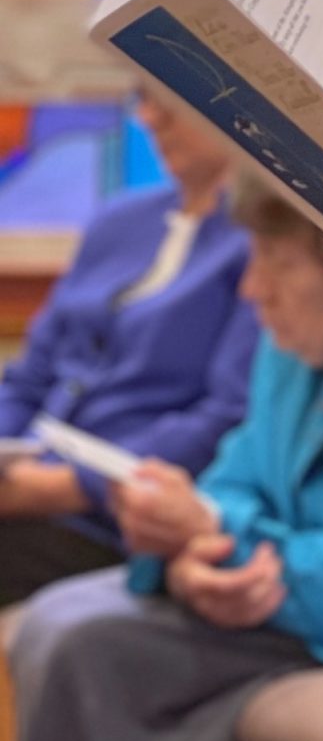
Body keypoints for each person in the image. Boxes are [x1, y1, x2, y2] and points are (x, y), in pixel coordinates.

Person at [7, 174, 323, 741]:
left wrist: (230, 542)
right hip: (256, 591)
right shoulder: (288, 355)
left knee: (80, 643)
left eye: (277, 264)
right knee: (59, 618)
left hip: (314, 613)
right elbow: (231, 482)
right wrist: (188, 554)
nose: (252, 291)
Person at [0, 88, 258, 602]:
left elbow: (227, 417)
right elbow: (28, 378)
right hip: (26, 485)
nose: (149, 116)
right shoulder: (117, 222)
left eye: (170, 95)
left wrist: (56, 489)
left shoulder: (264, 240)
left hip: (119, 517)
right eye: (142, 96)